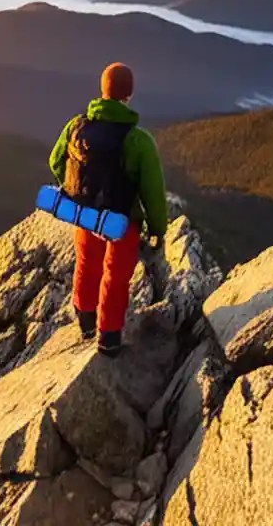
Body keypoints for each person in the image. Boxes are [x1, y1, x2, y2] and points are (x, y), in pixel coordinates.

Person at [49, 62, 167, 357]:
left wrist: (77, 189)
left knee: (87, 264)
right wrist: (157, 229)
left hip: (86, 215)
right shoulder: (138, 140)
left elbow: (55, 162)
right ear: (129, 95)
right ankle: (108, 338)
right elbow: (152, 191)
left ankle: (85, 320)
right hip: (121, 222)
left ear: (102, 90)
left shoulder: (76, 126)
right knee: (115, 276)